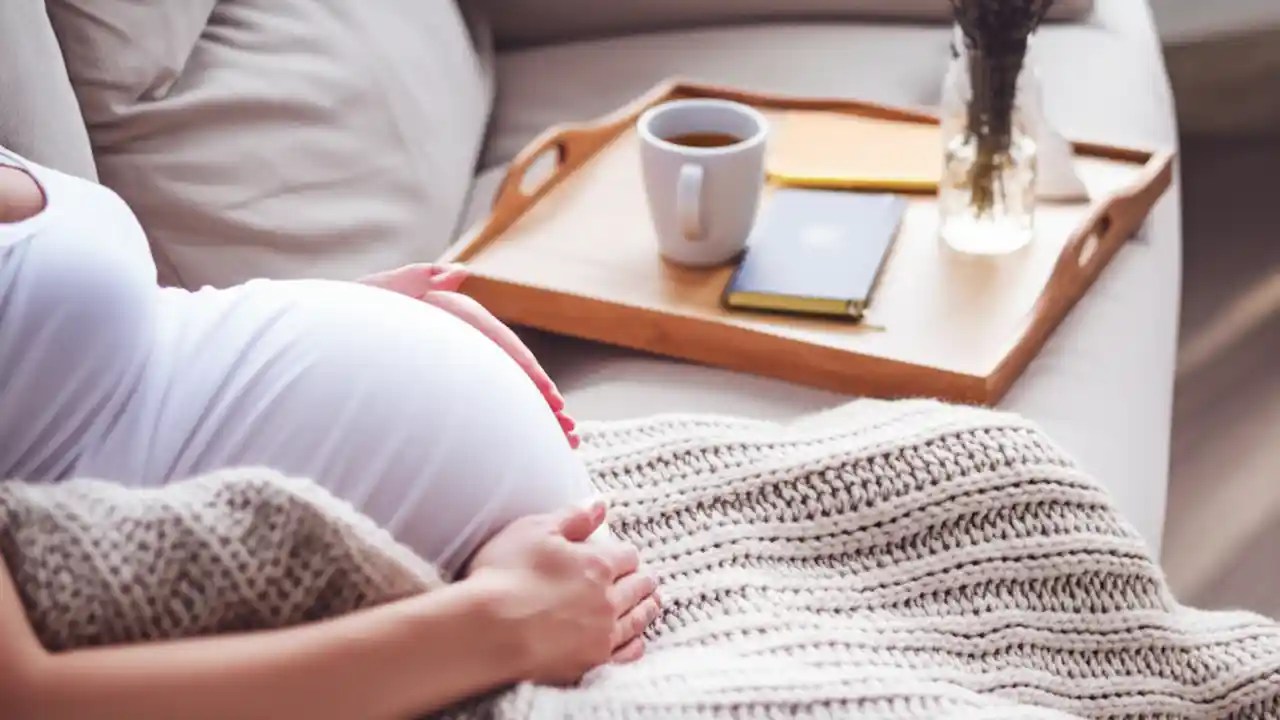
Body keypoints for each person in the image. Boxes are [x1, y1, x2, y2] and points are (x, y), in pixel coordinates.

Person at [0, 147, 660, 719]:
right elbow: (28, 699)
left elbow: (105, 360)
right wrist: (503, 625)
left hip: (557, 604)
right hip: (474, 651)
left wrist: (345, 310)